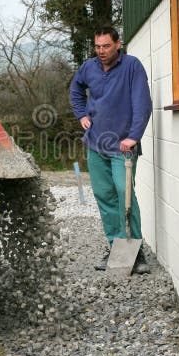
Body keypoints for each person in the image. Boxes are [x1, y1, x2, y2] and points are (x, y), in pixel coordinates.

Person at [69, 26, 152, 273]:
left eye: (106, 46)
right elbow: (75, 90)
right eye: (97, 46)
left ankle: (136, 254)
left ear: (118, 44)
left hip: (122, 147)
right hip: (96, 144)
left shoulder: (132, 67)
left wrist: (134, 137)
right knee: (105, 196)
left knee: (124, 194)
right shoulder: (89, 67)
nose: (101, 51)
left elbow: (143, 104)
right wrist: (82, 114)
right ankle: (116, 248)